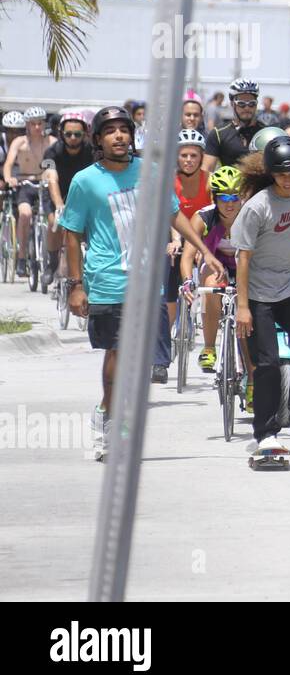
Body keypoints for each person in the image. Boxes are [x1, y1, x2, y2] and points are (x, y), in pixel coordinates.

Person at [62, 107, 221, 459]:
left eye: (124, 130)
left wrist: (203, 253)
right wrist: (76, 284)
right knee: (118, 353)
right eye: (110, 131)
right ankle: (109, 414)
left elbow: (173, 214)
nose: (119, 136)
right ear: (98, 139)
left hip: (148, 280)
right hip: (106, 279)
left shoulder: (150, 173)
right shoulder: (85, 181)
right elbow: (71, 233)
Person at [232, 136, 290, 455]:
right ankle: (266, 432)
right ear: (272, 174)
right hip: (258, 294)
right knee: (268, 364)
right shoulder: (257, 207)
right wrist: (243, 306)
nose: (288, 179)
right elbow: (242, 258)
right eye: (282, 173)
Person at [182, 166, 245, 373]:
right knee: (213, 286)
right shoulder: (203, 218)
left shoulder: (250, 215)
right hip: (214, 262)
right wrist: (187, 281)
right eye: (224, 199)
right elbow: (188, 256)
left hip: (243, 262)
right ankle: (209, 347)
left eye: (235, 198)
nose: (230, 204)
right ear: (215, 199)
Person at [40, 110, 96, 287]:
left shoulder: (92, 152)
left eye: (77, 134)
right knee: (55, 223)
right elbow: (51, 178)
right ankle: (52, 263)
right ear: (61, 134)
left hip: (83, 196)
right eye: (68, 133)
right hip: (56, 193)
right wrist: (58, 205)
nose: (73, 137)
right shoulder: (52, 152)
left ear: (85, 134)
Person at [168, 129, 212, 333]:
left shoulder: (210, 181)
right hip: (175, 235)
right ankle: (167, 330)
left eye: (193, 156)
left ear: (201, 157)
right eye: (183, 155)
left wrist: (204, 247)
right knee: (170, 272)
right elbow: (170, 214)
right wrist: (176, 239)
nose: (188, 160)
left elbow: (214, 215)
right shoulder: (170, 181)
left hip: (203, 237)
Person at [3, 106, 54, 280]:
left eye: (40, 123)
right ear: (27, 125)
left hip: (45, 184)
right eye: (33, 124)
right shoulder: (20, 142)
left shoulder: (52, 141)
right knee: (24, 214)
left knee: (53, 218)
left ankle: (51, 256)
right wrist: (9, 178)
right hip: (25, 183)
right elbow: (9, 163)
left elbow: (57, 163)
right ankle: (22, 257)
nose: (37, 127)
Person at [203, 78, 263, 171]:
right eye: (241, 104)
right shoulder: (218, 134)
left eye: (251, 104)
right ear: (232, 104)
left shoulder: (266, 132)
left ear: (257, 104)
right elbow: (206, 170)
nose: (247, 108)